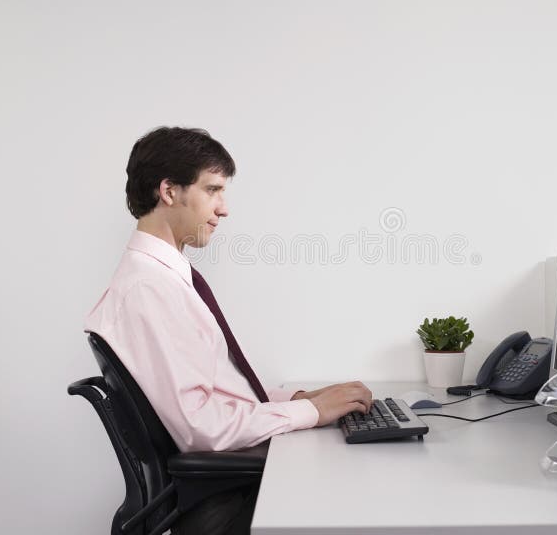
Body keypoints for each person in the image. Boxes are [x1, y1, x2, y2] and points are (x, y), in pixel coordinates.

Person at [84, 126, 372, 534]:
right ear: (169, 191)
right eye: (213, 190)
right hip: (225, 503)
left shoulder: (166, 279)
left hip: (230, 487)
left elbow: (216, 391)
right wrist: (309, 412)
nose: (223, 208)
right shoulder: (148, 289)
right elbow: (199, 427)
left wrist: (302, 399)